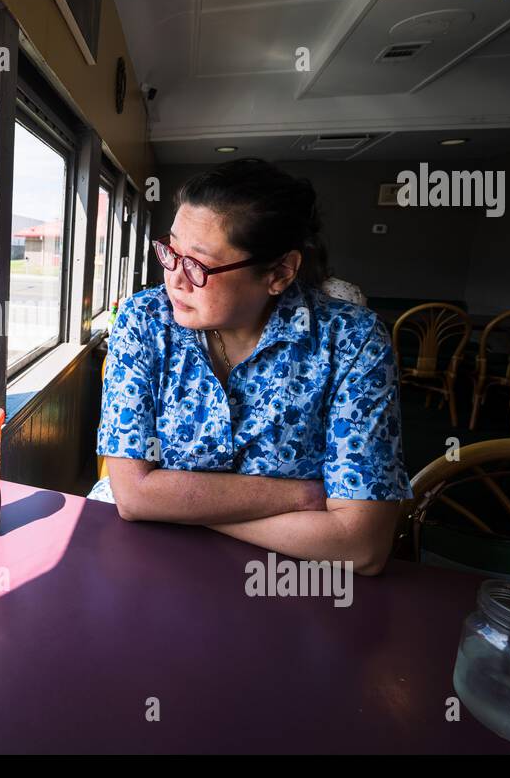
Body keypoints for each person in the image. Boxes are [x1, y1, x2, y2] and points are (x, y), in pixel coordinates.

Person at [91, 158, 410, 575]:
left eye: (198, 265)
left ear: (279, 273)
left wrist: (175, 502)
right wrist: (303, 498)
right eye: (171, 251)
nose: (175, 279)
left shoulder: (351, 341)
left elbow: (361, 545)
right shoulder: (144, 319)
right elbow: (132, 498)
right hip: (142, 555)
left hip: (290, 584)